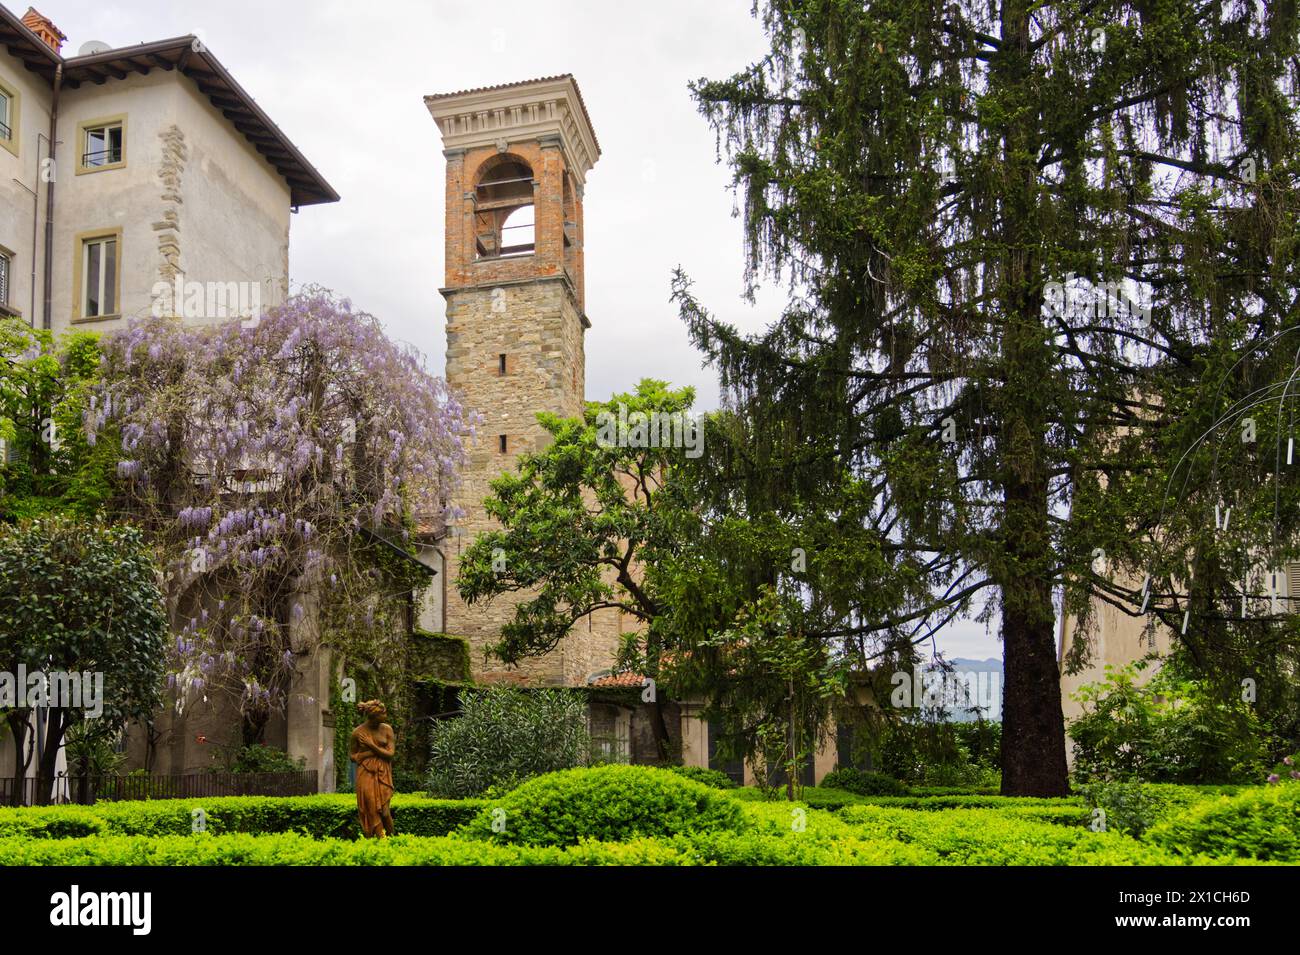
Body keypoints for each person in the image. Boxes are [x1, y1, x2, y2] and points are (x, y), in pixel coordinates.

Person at [349, 699, 395, 838]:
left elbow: (390, 754)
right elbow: (352, 756)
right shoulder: (357, 733)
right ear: (373, 717)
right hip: (365, 773)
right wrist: (362, 756)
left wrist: (371, 746)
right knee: (371, 810)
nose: (385, 716)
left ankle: (393, 841)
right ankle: (380, 843)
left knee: (385, 812)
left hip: (383, 772)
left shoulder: (387, 729)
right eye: (383, 714)